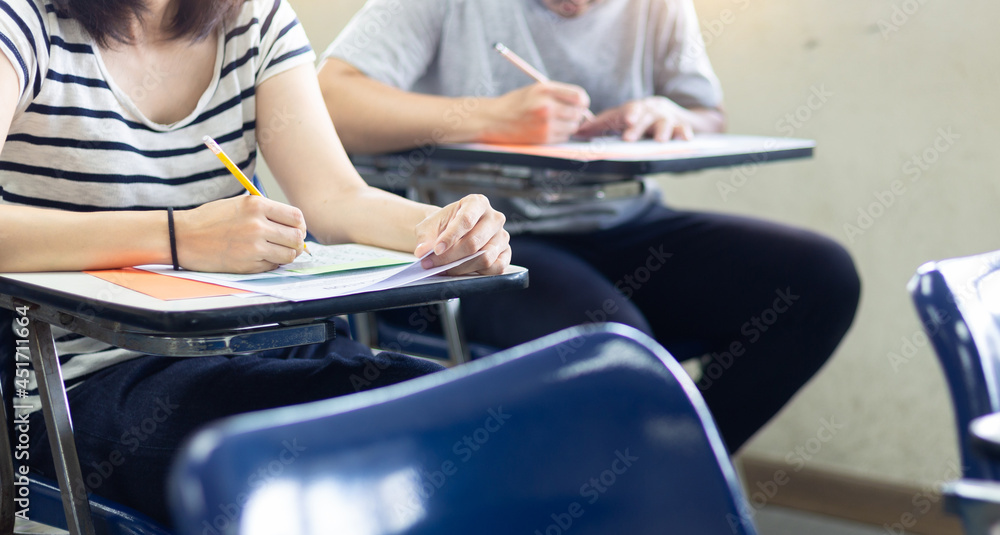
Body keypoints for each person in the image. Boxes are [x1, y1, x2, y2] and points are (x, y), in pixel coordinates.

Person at [0, 0, 509, 524]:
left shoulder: (254, 19)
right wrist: (175, 235)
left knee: (464, 413)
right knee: (345, 455)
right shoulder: (22, 21)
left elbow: (336, 198)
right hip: (90, 380)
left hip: (266, 344)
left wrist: (444, 230)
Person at [318, 0, 862, 452]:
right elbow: (329, 100)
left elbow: (706, 114)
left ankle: (674, 467)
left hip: (628, 225)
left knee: (820, 279)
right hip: (492, 245)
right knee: (617, 352)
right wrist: (490, 116)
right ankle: (651, 483)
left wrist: (667, 113)